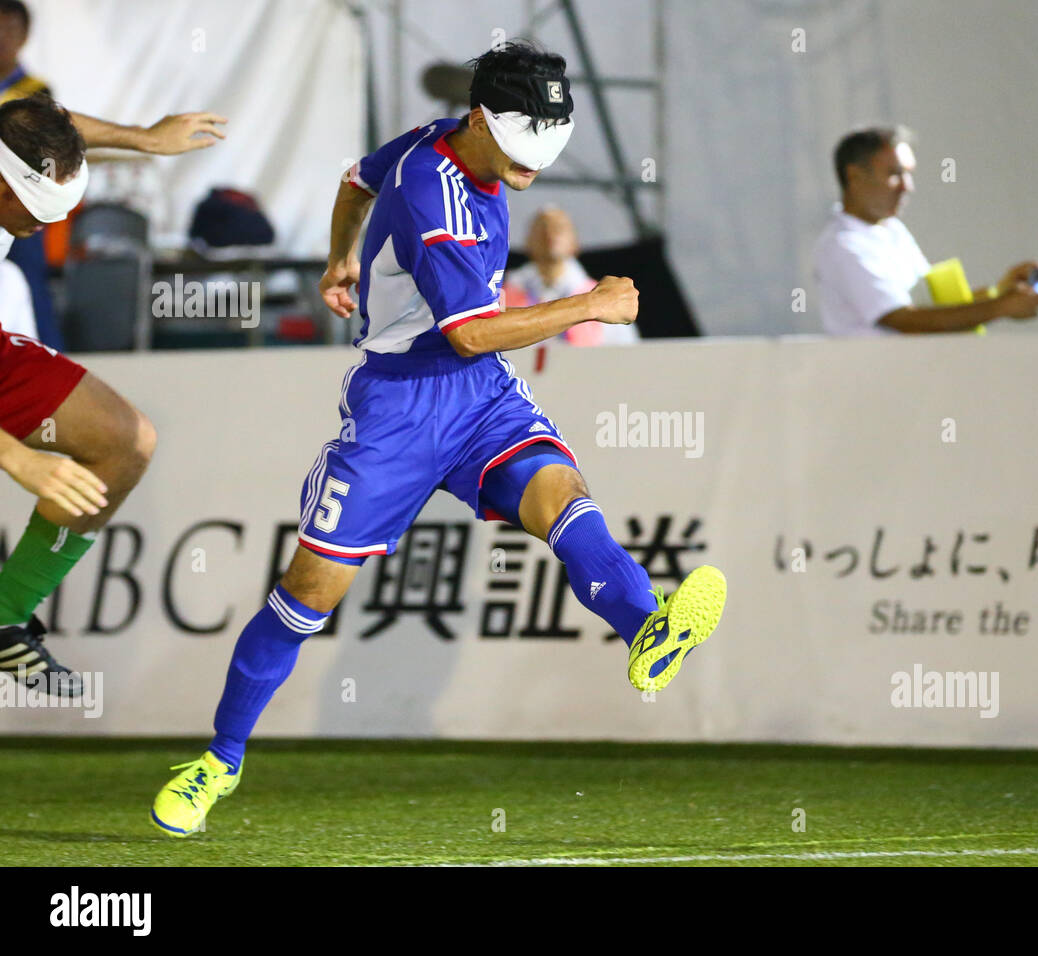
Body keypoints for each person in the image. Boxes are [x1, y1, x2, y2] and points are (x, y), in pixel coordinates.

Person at [150, 41, 727, 838]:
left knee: (560, 493)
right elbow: (470, 333)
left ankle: (646, 627)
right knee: (305, 599)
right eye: (524, 145)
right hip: (401, 405)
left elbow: (355, 179)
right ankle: (219, 760)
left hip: (481, 396)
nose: (534, 168)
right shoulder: (434, 191)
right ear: (484, 120)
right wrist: (590, 305)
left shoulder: (436, 138)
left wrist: (340, 257)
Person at [0, 95, 226, 695]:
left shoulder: (14, 136)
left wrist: (143, 138)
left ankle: (3, 617)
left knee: (124, 442)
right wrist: (21, 460)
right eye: (34, 206)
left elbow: (52, 123)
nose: (47, 225)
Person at [814, 126, 1038, 335]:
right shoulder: (842, 245)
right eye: (895, 174)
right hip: (874, 379)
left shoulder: (893, 230)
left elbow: (934, 306)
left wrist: (999, 292)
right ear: (854, 176)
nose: (908, 187)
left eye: (909, 174)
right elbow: (905, 320)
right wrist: (1001, 307)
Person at [503, 206, 639, 345]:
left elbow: (625, 351)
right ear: (528, 241)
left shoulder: (602, 296)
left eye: (559, 228)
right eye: (542, 228)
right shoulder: (503, 294)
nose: (550, 234)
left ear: (575, 242)